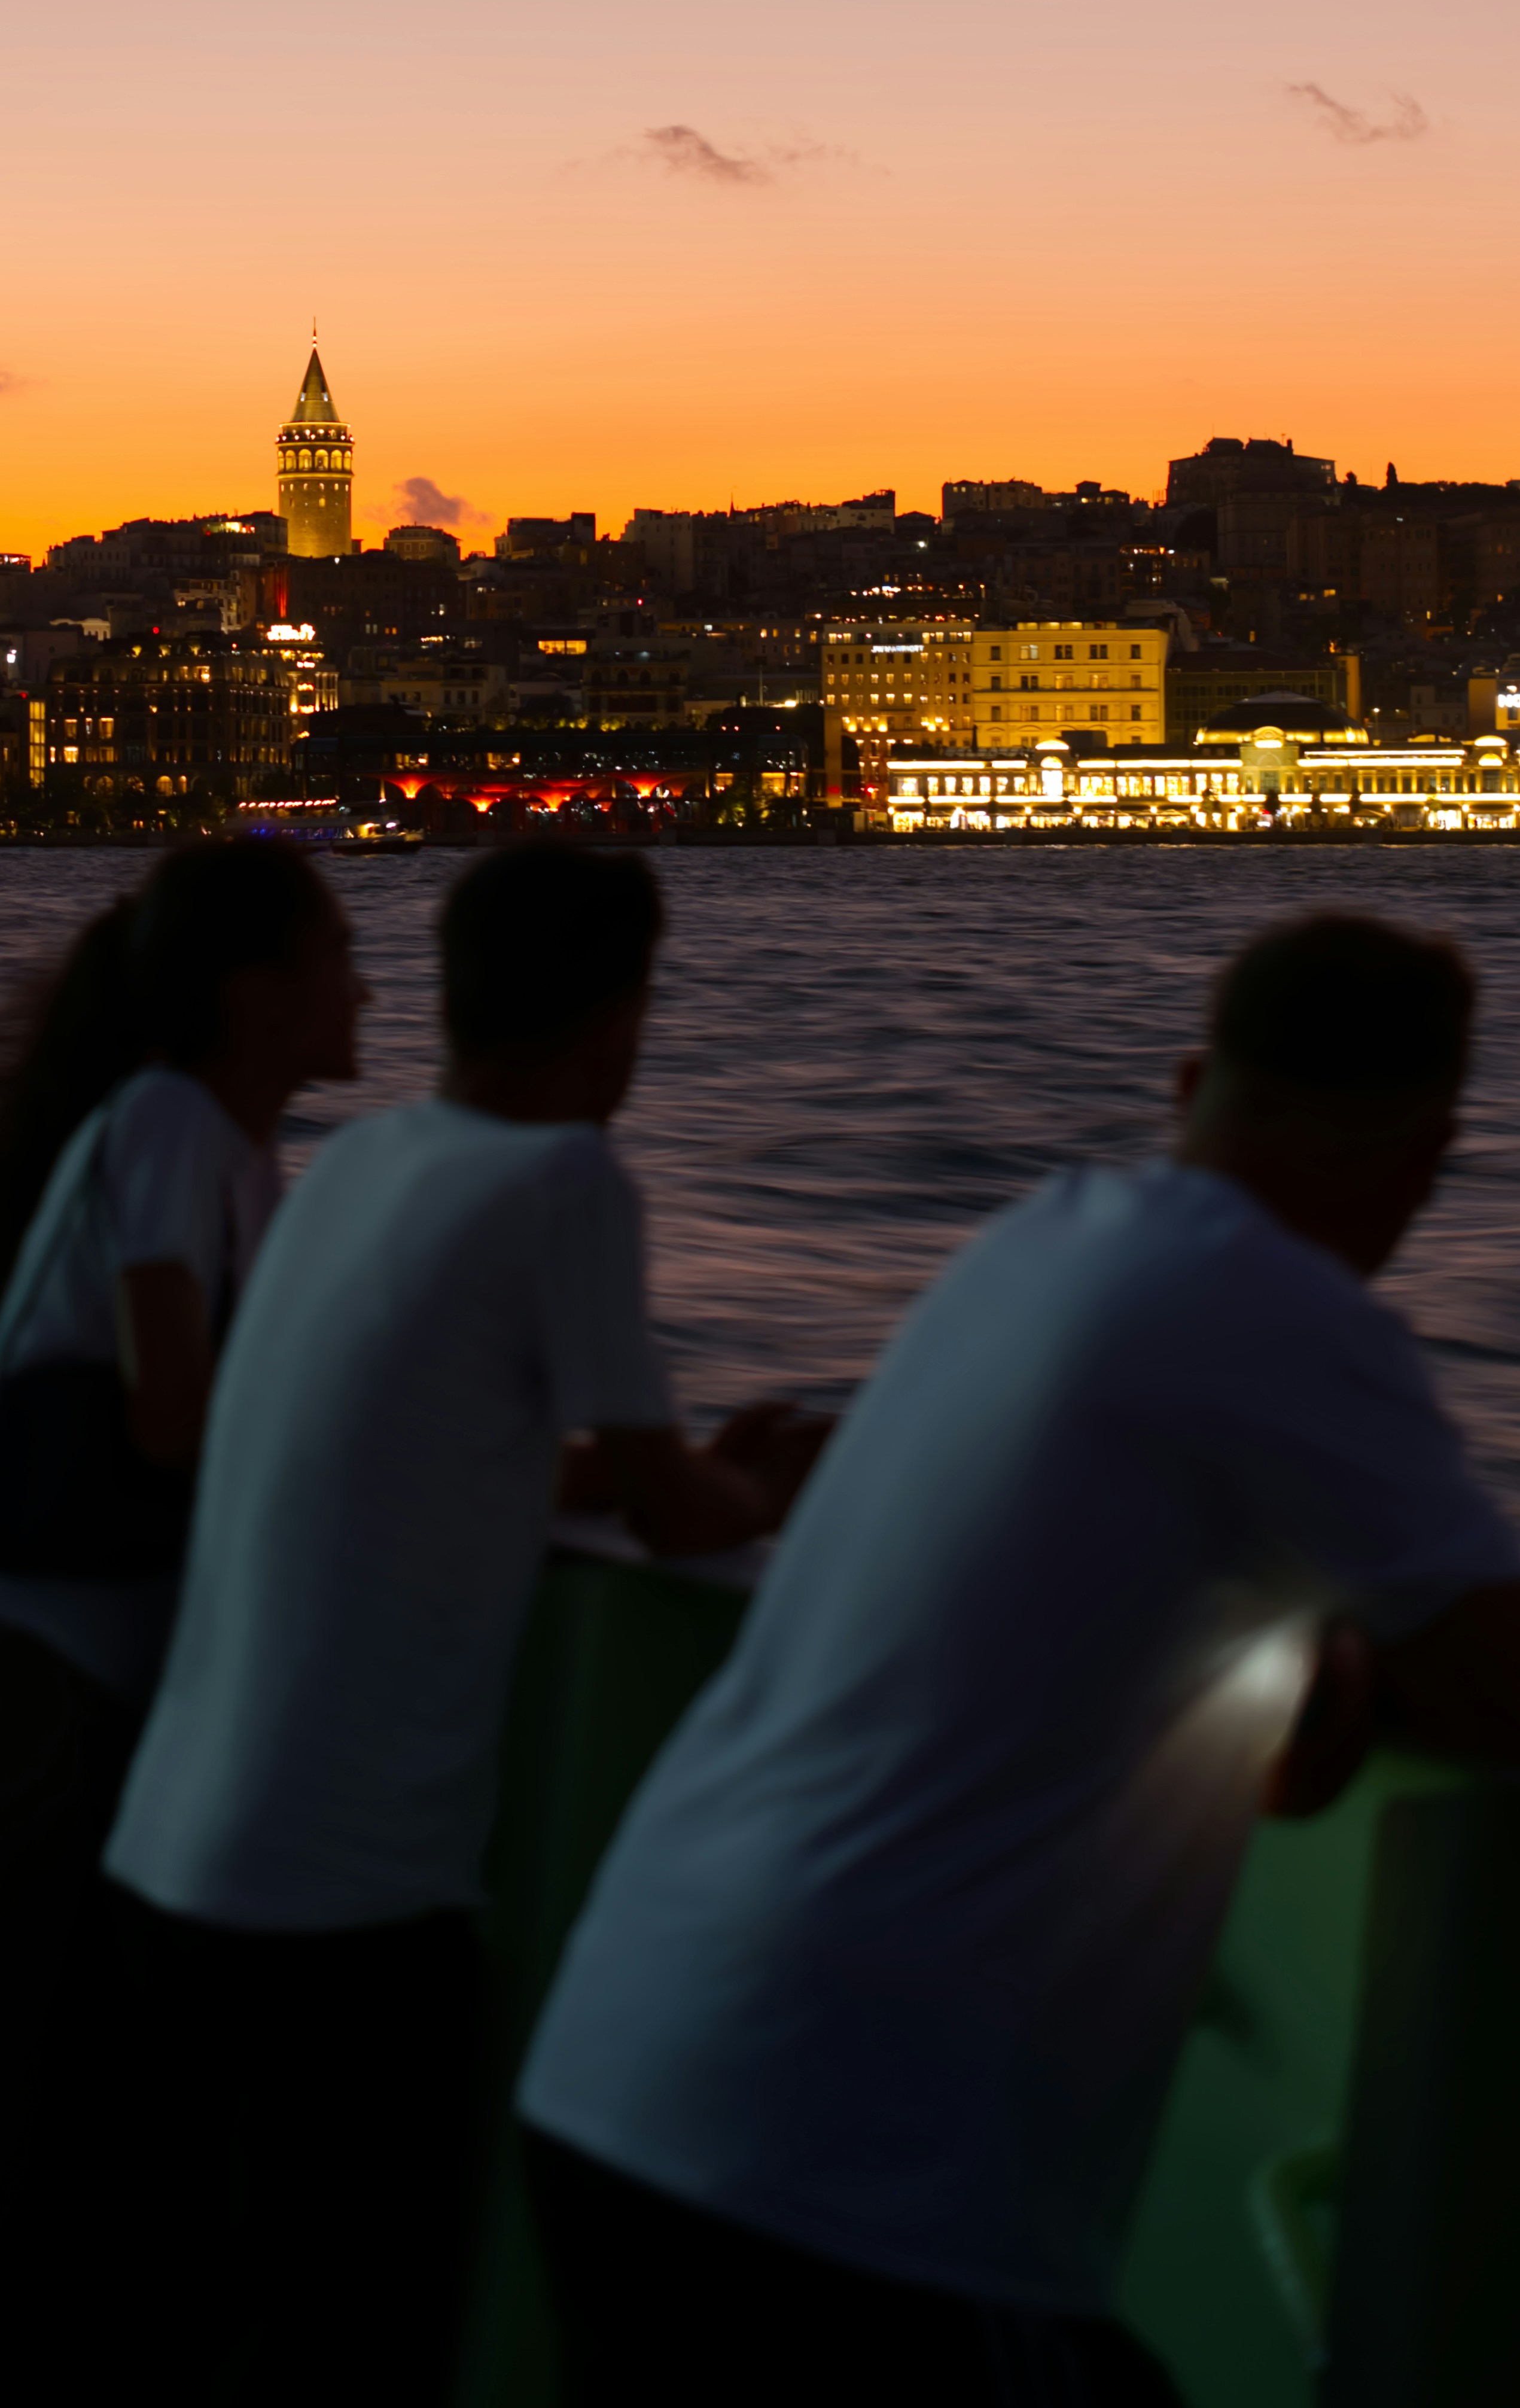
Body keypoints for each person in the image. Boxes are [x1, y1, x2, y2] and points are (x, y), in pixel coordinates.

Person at [517, 911, 1520, 2406]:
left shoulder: (1037, 1245)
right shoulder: (1280, 1313)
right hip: (843, 2185)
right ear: (1431, 1155)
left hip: (623, 2072)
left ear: (1189, 1083)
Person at [102, 840, 823, 2407]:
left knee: (208, 2316)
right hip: (343, 1893)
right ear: (620, 1015)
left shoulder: (360, 1163)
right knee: (352, 2332)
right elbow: (669, 1506)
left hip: (170, 1843)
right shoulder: (565, 1177)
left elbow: (412, 1437)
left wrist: (685, 1475)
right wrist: (769, 1484)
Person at [0, 842, 365, 2408]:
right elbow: (176, 1413)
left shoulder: (232, 1161)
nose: (367, 983)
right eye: (339, 951)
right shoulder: (166, 1123)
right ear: (255, 990)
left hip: (39, 1704)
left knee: (9, 2151)